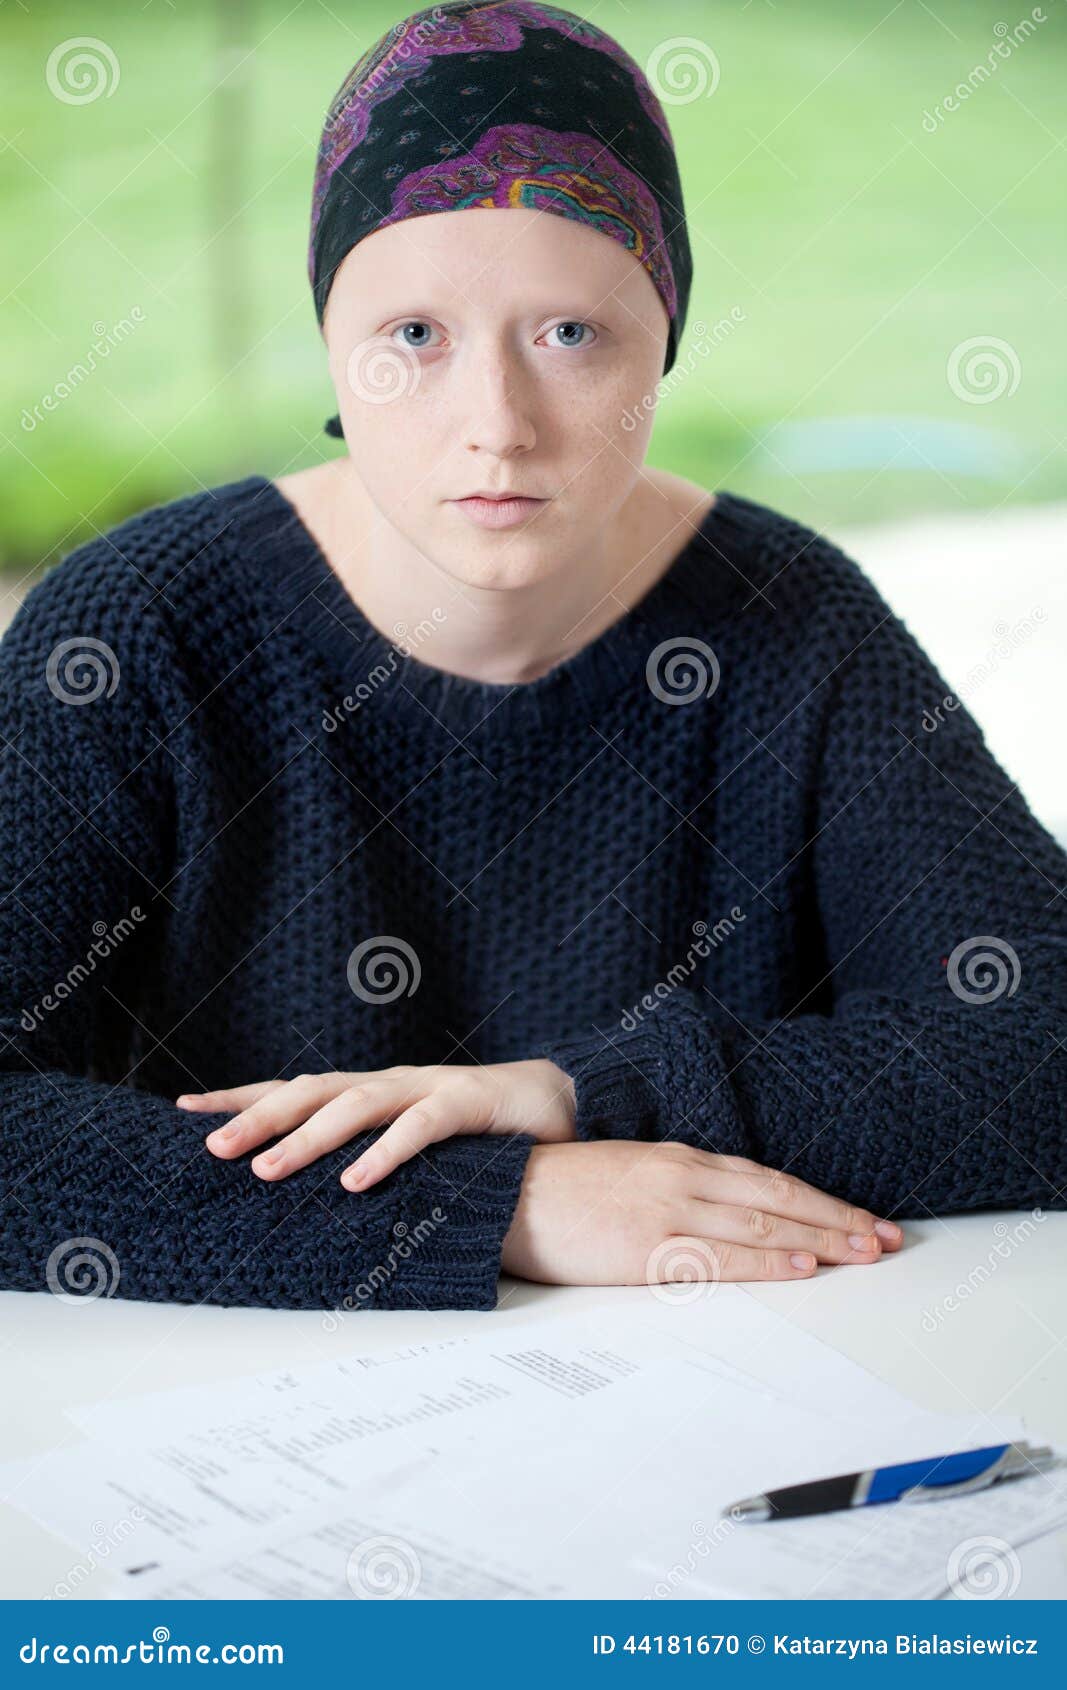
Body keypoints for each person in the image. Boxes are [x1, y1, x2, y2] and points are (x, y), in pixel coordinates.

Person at [2, 1, 1064, 1312]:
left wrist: (574, 1098)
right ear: (333, 344)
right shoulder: (140, 634)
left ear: (662, 342)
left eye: (570, 333)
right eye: (415, 339)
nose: (495, 425)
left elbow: (1045, 1044)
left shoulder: (791, 621)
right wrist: (504, 1196)